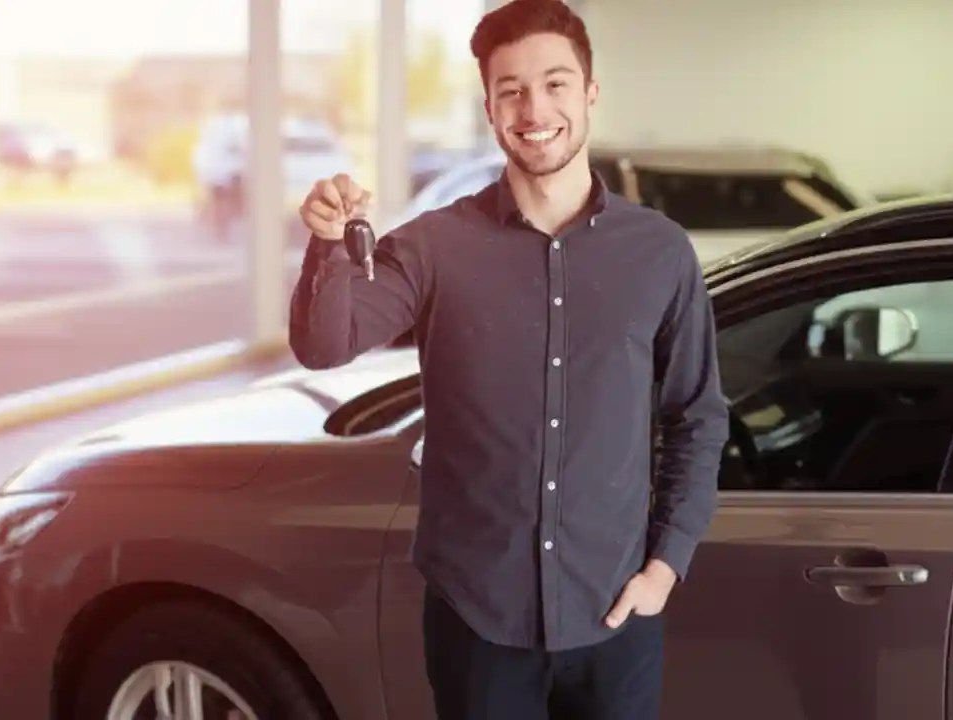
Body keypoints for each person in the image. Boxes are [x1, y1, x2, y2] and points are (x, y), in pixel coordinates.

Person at [288, 0, 728, 717]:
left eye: (555, 84)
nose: (534, 109)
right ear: (489, 108)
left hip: (615, 614)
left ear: (589, 93)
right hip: (478, 621)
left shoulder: (659, 252)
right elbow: (325, 342)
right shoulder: (434, 247)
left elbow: (696, 417)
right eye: (511, 90)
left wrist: (664, 568)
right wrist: (330, 245)